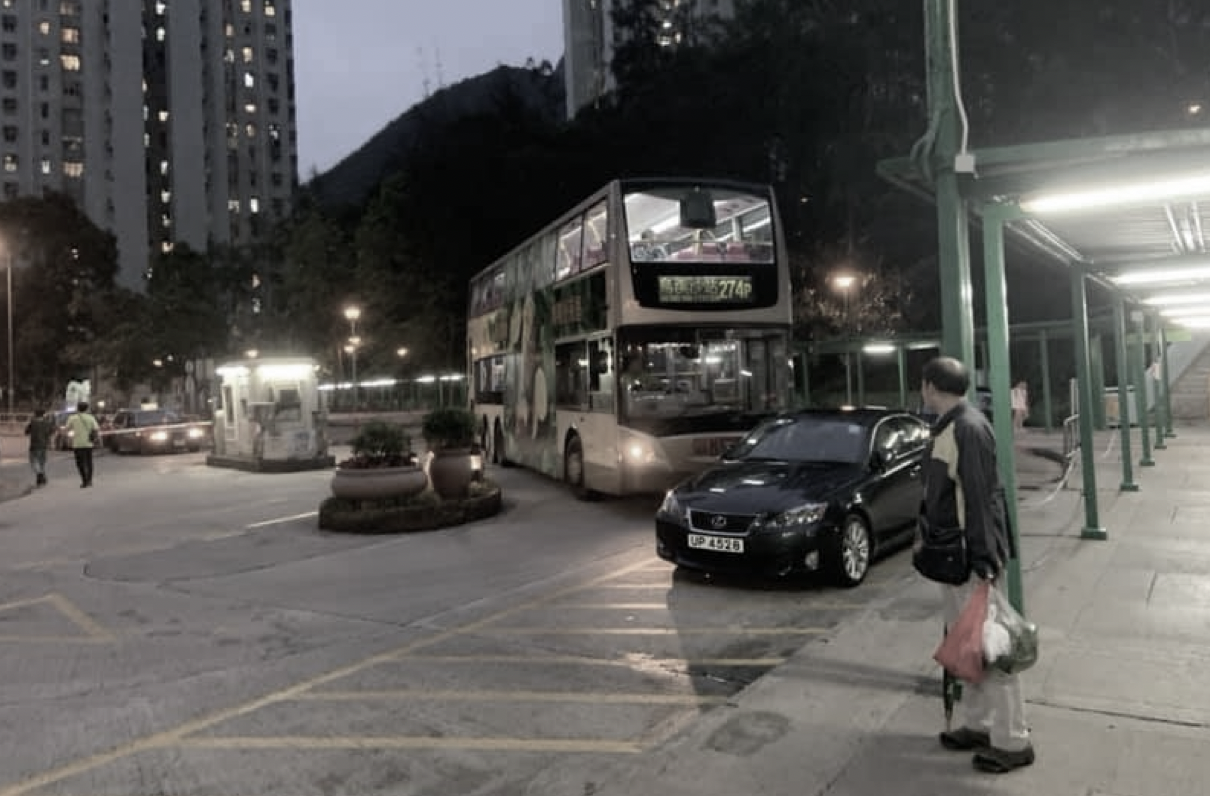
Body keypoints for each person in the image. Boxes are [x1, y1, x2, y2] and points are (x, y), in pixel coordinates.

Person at [919, 356, 1034, 774]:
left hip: (971, 559)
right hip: (957, 559)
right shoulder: (953, 425)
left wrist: (984, 560)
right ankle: (979, 725)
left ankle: (1013, 741)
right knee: (968, 648)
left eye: (923, 385)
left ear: (931, 387)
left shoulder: (967, 429)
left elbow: (981, 498)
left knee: (992, 648)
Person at [65, 401, 100, 488]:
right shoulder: (91, 418)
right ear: (87, 409)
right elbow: (96, 429)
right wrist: (95, 438)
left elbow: (67, 428)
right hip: (88, 443)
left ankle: (84, 480)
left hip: (77, 444)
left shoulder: (72, 418)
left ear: (77, 408)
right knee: (89, 462)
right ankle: (89, 480)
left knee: (80, 463)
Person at [24, 407, 55, 486]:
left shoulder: (32, 422)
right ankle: (41, 478)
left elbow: (26, 432)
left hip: (34, 445)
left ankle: (39, 474)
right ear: (44, 414)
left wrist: (28, 424)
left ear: (35, 414)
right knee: (42, 462)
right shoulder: (47, 423)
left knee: (33, 462)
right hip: (44, 445)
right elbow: (51, 432)